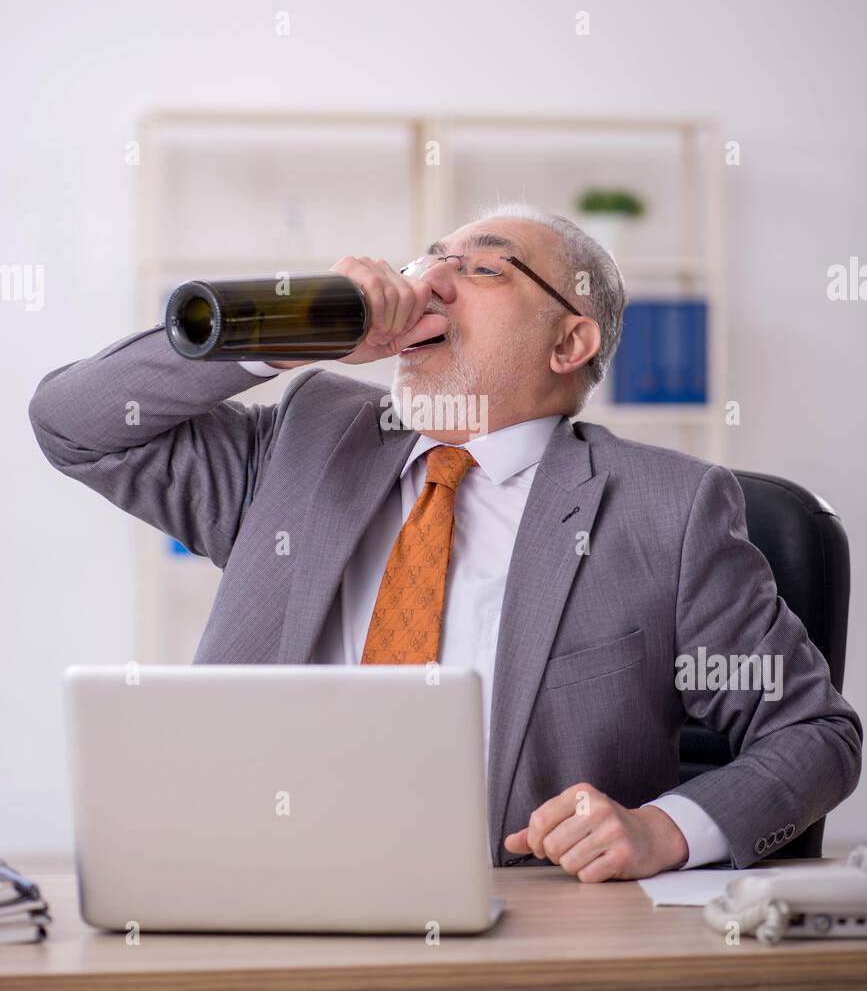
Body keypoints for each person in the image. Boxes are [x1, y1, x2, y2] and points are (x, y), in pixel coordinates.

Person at [28, 203, 862, 879]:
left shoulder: (666, 509)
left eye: (483, 269)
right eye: (427, 261)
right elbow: (74, 426)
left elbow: (813, 734)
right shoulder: (303, 440)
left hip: (517, 928)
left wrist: (663, 830)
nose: (427, 282)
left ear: (568, 342)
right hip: (245, 888)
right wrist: (283, 333)